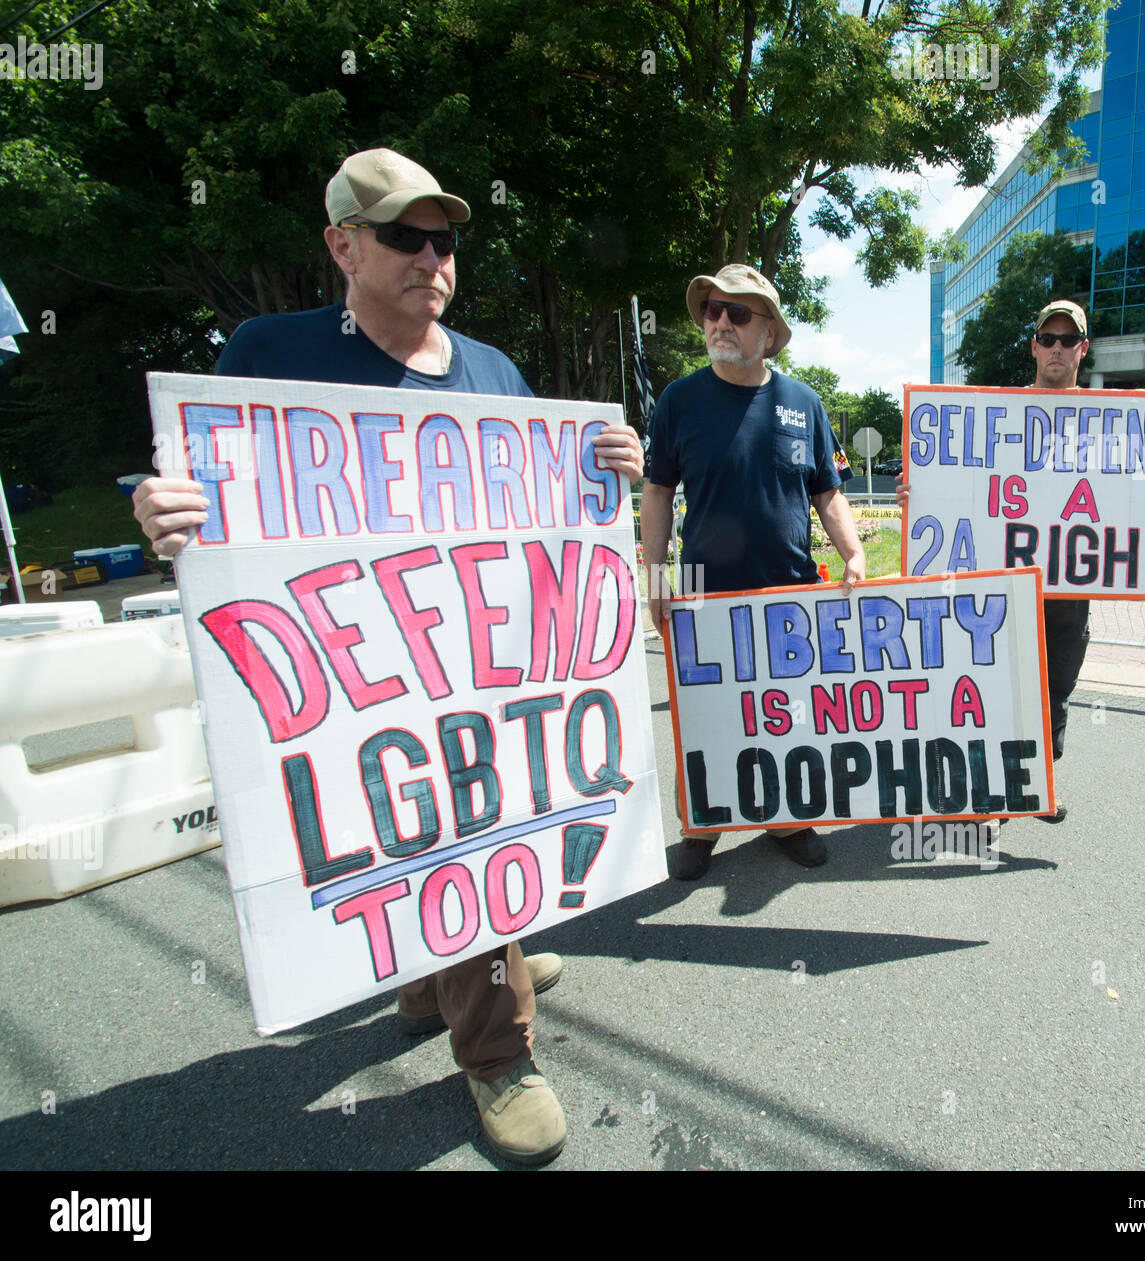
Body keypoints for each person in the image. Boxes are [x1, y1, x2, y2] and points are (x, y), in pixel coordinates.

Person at [132, 148, 645, 1166]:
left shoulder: (496, 370)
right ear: (342, 245)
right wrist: (157, 509)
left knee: (479, 822)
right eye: (404, 236)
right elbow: (196, 492)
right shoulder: (268, 356)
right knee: (419, 828)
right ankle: (498, 1050)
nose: (430, 256)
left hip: (482, 667)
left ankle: (435, 977)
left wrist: (607, 471)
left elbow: (540, 518)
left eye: (443, 237)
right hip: (352, 670)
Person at [640, 263, 866, 880]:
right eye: (713, 309)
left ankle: (787, 818)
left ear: (768, 332)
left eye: (738, 313)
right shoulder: (678, 401)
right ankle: (705, 824)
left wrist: (854, 552)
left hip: (788, 592)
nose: (720, 321)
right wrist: (655, 573)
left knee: (785, 711)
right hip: (699, 591)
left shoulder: (804, 402)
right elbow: (657, 491)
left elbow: (829, 491)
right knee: (705, 716)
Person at [896, 299, 1092, 825]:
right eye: (1047, 339)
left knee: (1054, 690)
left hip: (1066, 591)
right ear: (1033, 347)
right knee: (996, 684)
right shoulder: (996, 411)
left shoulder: (1105, 423)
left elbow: (1128, 502)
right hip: (999, 589)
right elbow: (962, 484)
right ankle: (993, 787)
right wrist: (921, 489)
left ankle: (1036, 781)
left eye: (1067, 340)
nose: (1056, 348)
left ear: (1082, 350)